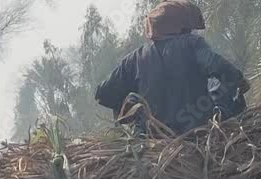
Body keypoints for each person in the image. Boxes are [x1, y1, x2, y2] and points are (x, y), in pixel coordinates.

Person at [95, 0, 250, 136]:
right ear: (181, 26)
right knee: (223, 90)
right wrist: (240, 81)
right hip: (195, 133)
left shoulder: (135, 58)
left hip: (151, 138)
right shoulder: (192, 44)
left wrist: (130, 108)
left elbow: (104, 94)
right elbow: (219, 67)